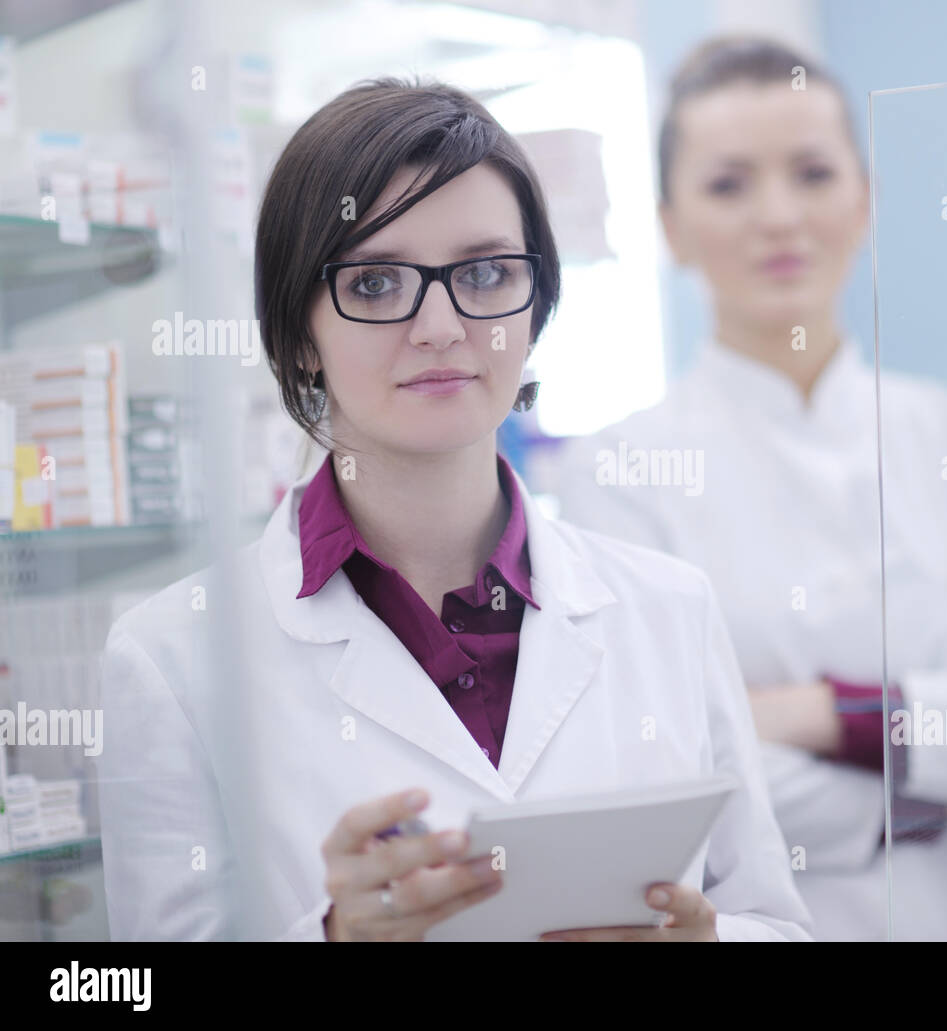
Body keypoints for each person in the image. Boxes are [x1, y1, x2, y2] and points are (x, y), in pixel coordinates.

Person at [95, 76, 812, 942]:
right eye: (374, 283)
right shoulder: (173, 657)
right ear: (295, 336)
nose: (440, 327)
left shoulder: (669, 606)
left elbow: (776, 922)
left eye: (484, 272)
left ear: (536, 305)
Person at [548, 37, 947, 940]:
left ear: (864, 200)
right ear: (669, 226)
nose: (778, 215)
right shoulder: (614, 480)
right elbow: (671, 792)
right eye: (728, 184)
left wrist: (822, 714)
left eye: (813, 172)